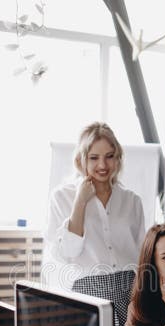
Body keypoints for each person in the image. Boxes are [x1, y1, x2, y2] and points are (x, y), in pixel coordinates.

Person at [43, 122, 145, 290]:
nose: (103, 165)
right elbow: (67, 253)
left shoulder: (132, 201)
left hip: (129, 289)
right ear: (81, 160)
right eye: (94, 157)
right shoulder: (61, 197)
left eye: (109, 156)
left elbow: (140, 253)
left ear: (117, 158)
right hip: (86, 292)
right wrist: (80, 201)